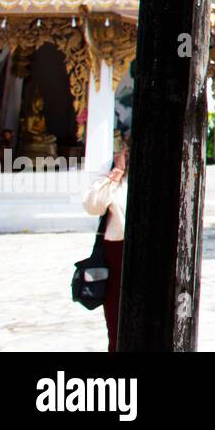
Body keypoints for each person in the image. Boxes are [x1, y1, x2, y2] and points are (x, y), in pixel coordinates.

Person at [83, 131, 129, 352]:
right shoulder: (112, 172)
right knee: (116, 321)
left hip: (149, 254)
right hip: (116, 253)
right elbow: (93, 206)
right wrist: (116, 173)